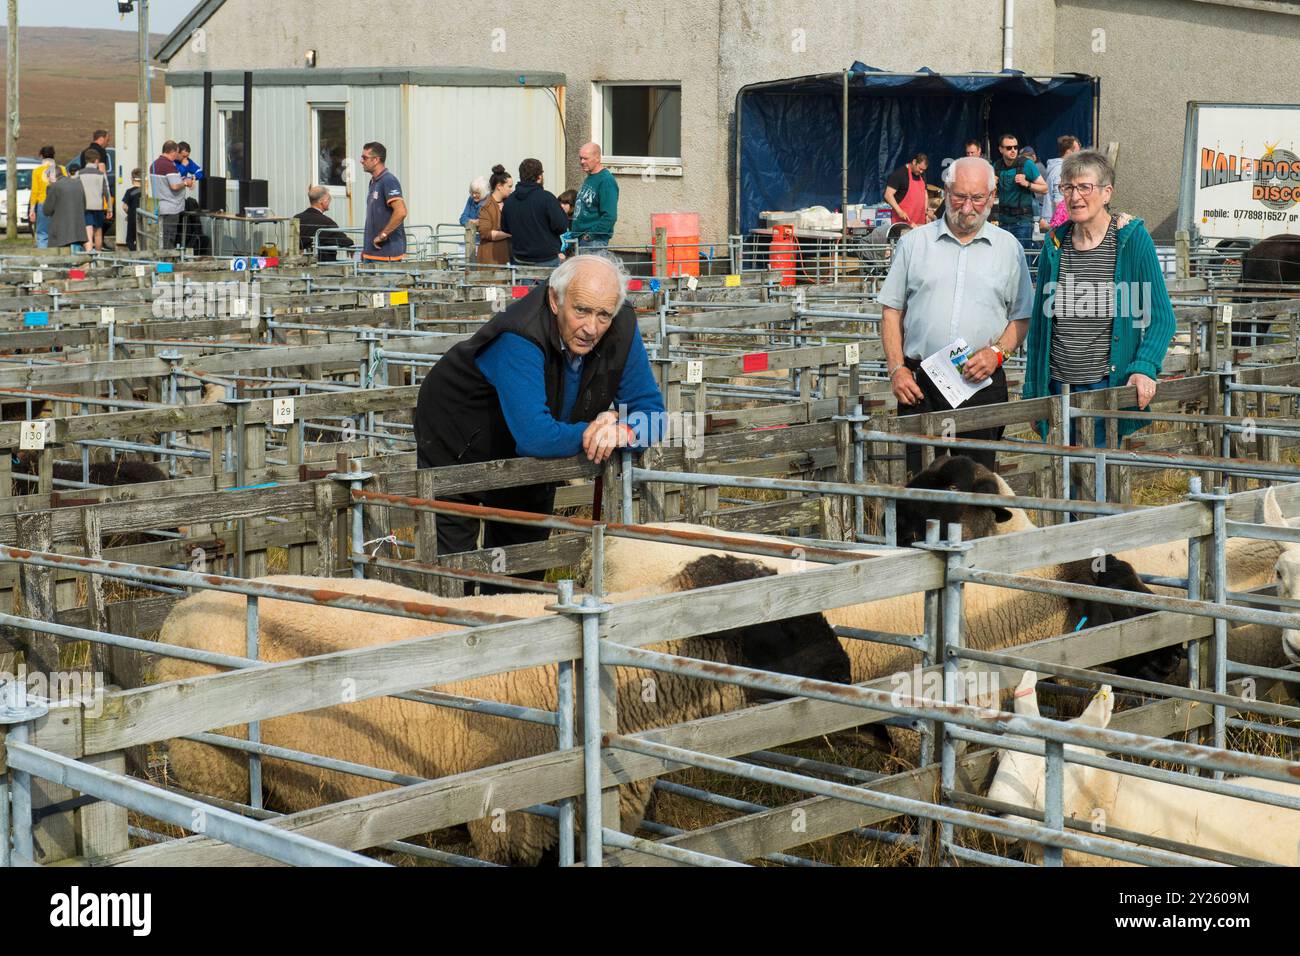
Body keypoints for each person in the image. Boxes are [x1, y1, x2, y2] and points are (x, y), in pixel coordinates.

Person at [414, 254, 665, 571]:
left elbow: (653, 413)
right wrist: (594, 431)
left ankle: (512, 613)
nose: (591, 327)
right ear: (555, 300)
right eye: (582, 310)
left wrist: (623, 432)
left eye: (604, 314)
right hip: (457, 439)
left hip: (527, 461)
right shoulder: (520, 335)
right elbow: (536, 436)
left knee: (522, 567)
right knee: (451, 569)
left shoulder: (621, 326)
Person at [879, 156, 1034, 477]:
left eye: (978, 198)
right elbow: (892, 310)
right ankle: (923, 529)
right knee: (920, 481)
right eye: (959, 196)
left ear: (992, 197)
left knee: (977, 481)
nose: (968, 206)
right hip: (918, 383)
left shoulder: (1008, 249)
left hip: (980, 380)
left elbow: (1021, 317)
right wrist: (896, 369)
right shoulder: (913, 243)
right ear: (946, 192)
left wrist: (997, 353)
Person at [1022, 150, 1175, 449]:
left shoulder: (1130, 241)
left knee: (1096, 480)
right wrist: (1032, 391)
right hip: (1057, 387)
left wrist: (1144, 366)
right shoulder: (1055, 244)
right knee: (1061, 477)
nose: (1075, 196)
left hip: (1106, 386)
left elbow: (1162, 318)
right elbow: (1040, 327)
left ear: (1107, 193)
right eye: (1067, 187)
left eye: (1084, 187)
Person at [502, 157, 567, 268]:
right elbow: (561, 226)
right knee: (549, 286)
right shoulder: (547, 198)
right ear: (540, 176)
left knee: (524, 286)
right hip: (546, 259)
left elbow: (505, 228)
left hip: (520, 259)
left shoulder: (510, 201)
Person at [993, 133, 1047, 251]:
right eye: (1009, 148)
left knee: (1023, 260)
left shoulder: (1027, 164)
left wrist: (1027, 184)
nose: (1013, 150)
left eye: (1015, 147)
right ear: (1001, 149)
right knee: (1005, 261)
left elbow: (1045, 188)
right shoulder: (996, 166)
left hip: (1022, 222)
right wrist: (991, 185)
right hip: (1003, 222)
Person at [359, 141, 406, 262]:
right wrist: (366, 249)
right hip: (371, 254)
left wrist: (383, 235)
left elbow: (401, 212)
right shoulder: (374, 182)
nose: (361, 161)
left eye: (365, 158)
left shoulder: (388, 181)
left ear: (376, 160)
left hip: (386, 255)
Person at [571, 142, 618, 251]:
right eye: (580, 158)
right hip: (582, 240)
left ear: (597, 158)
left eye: (586, 158)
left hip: (593, 243)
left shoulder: (606, 181)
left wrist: (590, 236)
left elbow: (610, 216)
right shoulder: (591, 177)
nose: (582, 162)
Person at [294, 185, 354, 261]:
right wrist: (350, 244)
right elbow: (342, 240)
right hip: (324, 265)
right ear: (322, 201)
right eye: (328, 199)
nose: (329, 202)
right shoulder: (327, 222)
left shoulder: (297, 218)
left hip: (301, 263)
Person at [1039, 135, 1081, 234]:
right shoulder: (1060, 170)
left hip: (1054, 223)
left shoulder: (1059, 168)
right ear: (1068, 152)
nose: (1079, 156)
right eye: (1078, 152)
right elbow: (1059, 202)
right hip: (1056, 225)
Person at [150, 141, 187, 248]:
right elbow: (174, 186)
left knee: (161, 237)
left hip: (159, 206)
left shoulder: (154, 164)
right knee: (169, 238)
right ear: (172, 151)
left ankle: (161, 261)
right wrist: (185, 182)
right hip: (171, 208)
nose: (177, 155)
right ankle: (166, 263)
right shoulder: (169, 166)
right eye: (176, 152)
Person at [41, 167, 87, 251]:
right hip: (78, 230)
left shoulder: (54, 186)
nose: (48, 181)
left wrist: (48, 190)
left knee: (59, 260)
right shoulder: (78, 183)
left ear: (52, 176)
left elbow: (46, 210)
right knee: (77, 259)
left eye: (48, 178)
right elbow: (84, 204)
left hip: (61, 233)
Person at [26, 146, 64, 249]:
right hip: (59, 204)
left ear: (41, 156)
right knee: (59, 232)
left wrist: (32, 210)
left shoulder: (37, 171)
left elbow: (34, 191)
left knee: (42, 233)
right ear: (54, 155)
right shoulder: (62, 169)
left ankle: (44, 262)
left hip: (43, 203)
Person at [477, 164, 513, 266]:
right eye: (509, 186)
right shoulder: (486, 207)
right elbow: (485, 233)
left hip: (508, 256)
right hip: (491, 259)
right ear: (499, 187)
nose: (511, 189)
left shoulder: (510, 203)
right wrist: (510, 233)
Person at [884, 152, 931, 227]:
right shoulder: (899, 174)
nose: (921, 172)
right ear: (914, 162)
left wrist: (926, 213)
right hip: (903, 222)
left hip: (920, 222)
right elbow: (888, 195)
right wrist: (899, 211)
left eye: (923, 170)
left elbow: (925, 194)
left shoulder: (921, 174)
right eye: (920, 168)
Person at [75, 159, 112, 251]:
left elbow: (75, 189)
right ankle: (98, 257)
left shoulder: (79, 173)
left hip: (85, 207)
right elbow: (106, 191)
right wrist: (109, 208)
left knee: (88, 233)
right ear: (96, 161)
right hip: (98, 207)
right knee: (98, 233)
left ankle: (89, 258)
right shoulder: (100, 174)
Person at [121, 168, 142, 251]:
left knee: (130, 239)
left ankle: (134, 254)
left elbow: (124, 207)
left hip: (132, 217)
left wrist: (129, 213)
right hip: (142, 217)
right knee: (140, 237)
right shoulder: (144, 192)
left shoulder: (129, 191)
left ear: (132, 179)